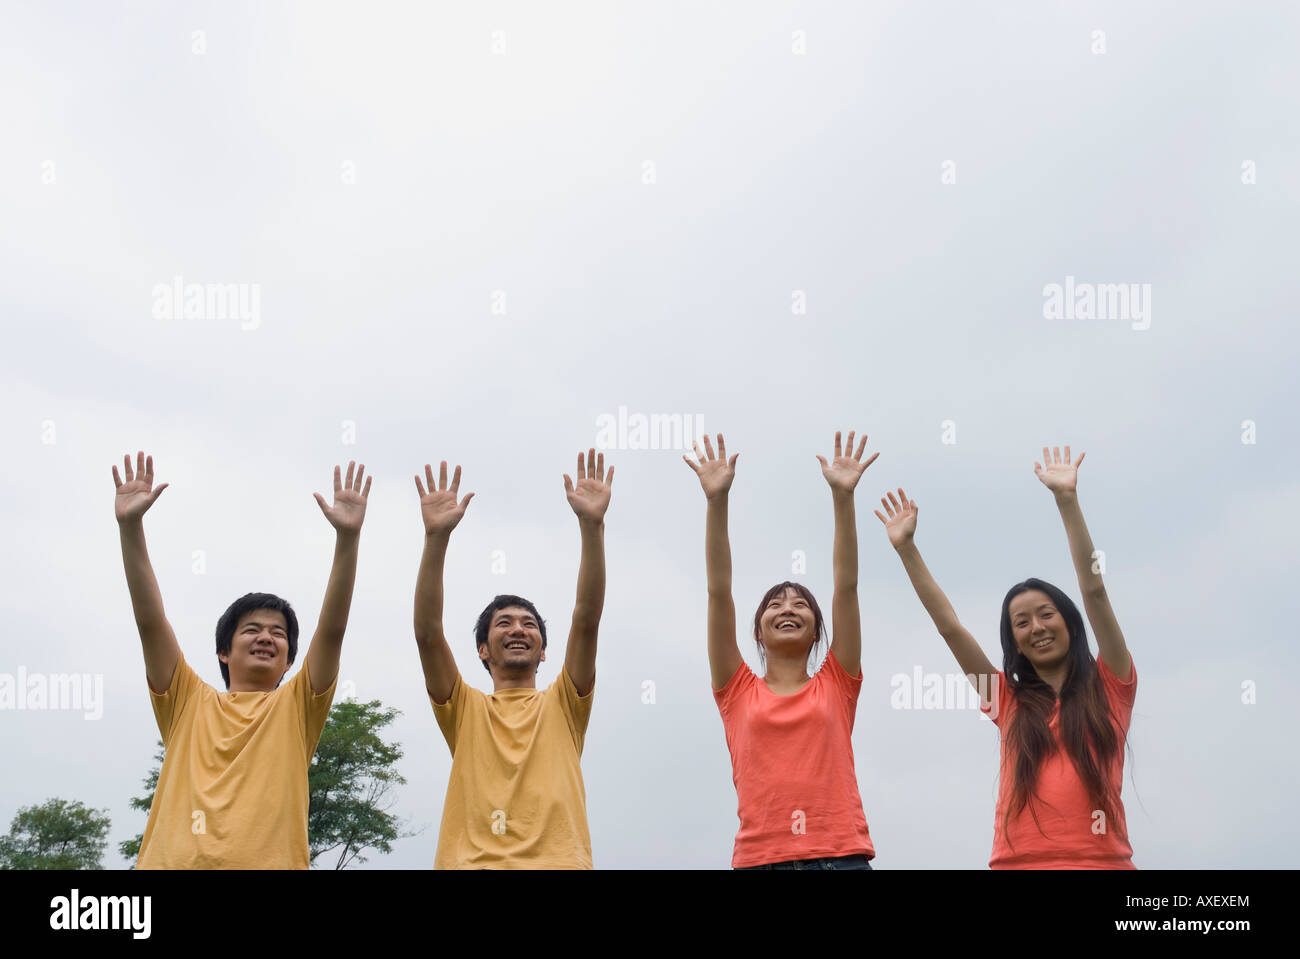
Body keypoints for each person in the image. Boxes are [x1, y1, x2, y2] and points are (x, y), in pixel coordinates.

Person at [875, 445, 1135, 868]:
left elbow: (1095, 592)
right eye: (1021, 623)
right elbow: (950, 628)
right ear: (1013, 642)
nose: (1037, 627)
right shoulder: (1005, 700)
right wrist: (907, 550)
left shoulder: (1112, 686)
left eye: (1046, 614)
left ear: (1070, 622)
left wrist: (1067, 501)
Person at [113, 451, 370, 868]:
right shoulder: (186, 702)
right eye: (251, 630)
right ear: (223, 651)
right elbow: (150, 622)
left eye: (279, 633)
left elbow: (333, 629)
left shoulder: (297, 706)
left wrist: (348, 540)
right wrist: (130, 527)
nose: (267, 637)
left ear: (289, 661)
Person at [684, 431, 878, 870]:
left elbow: (846, 586)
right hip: (761, 859)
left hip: (840, 857)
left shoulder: (837, 681)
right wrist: (717, 503)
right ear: (757, 631)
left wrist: (843, 499)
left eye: (800, 604)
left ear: (816, 632)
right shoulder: (736, 690)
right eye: (775, 604)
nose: (787, 609)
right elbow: (719, 591)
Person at [413, 450, 611, 868]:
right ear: (483, 650)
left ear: (543, 651)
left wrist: (592, 527)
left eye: (529, 625)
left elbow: (587, 617)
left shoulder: (564, 704)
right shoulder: (465, 709)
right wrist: (436, 539)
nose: (518, 629)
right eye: (504, 623)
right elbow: (428, 633)